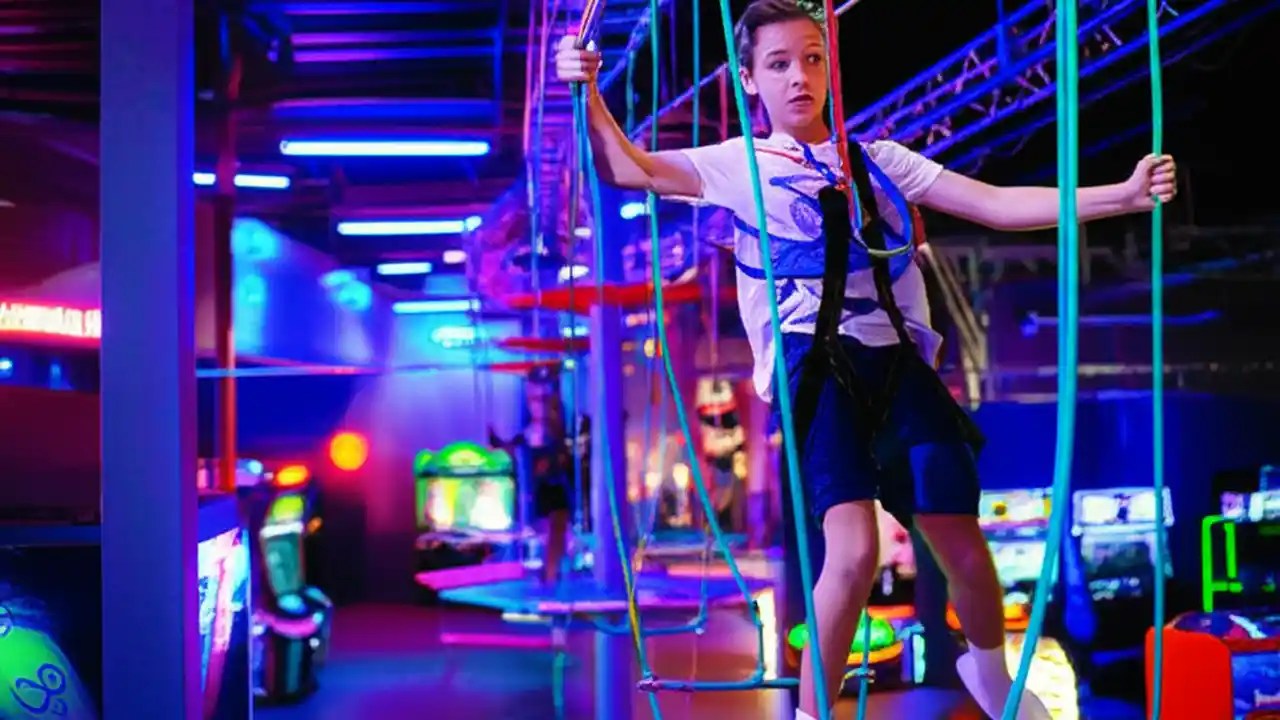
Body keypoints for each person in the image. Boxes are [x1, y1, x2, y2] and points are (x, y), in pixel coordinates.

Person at [553, 1, 1177, 718]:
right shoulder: (736, 165)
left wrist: (1122, 196)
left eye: (812, 59)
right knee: (851, 553)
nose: (799, 77)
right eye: (779, 64)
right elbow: (625, 169)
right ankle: (812, 712)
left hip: (898, 361)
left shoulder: (879, 160)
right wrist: (589, 92)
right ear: (749, 79)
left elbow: (995, 204)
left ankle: (987, 669)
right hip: (815, 364)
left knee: (964, 544)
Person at [489, 366, 575, 585]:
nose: (541, 405)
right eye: (535, 399)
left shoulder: (566, 444)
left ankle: (550, 579)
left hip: (557, 523)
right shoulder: (521, 443)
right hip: (526, 519)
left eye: (546, 398)